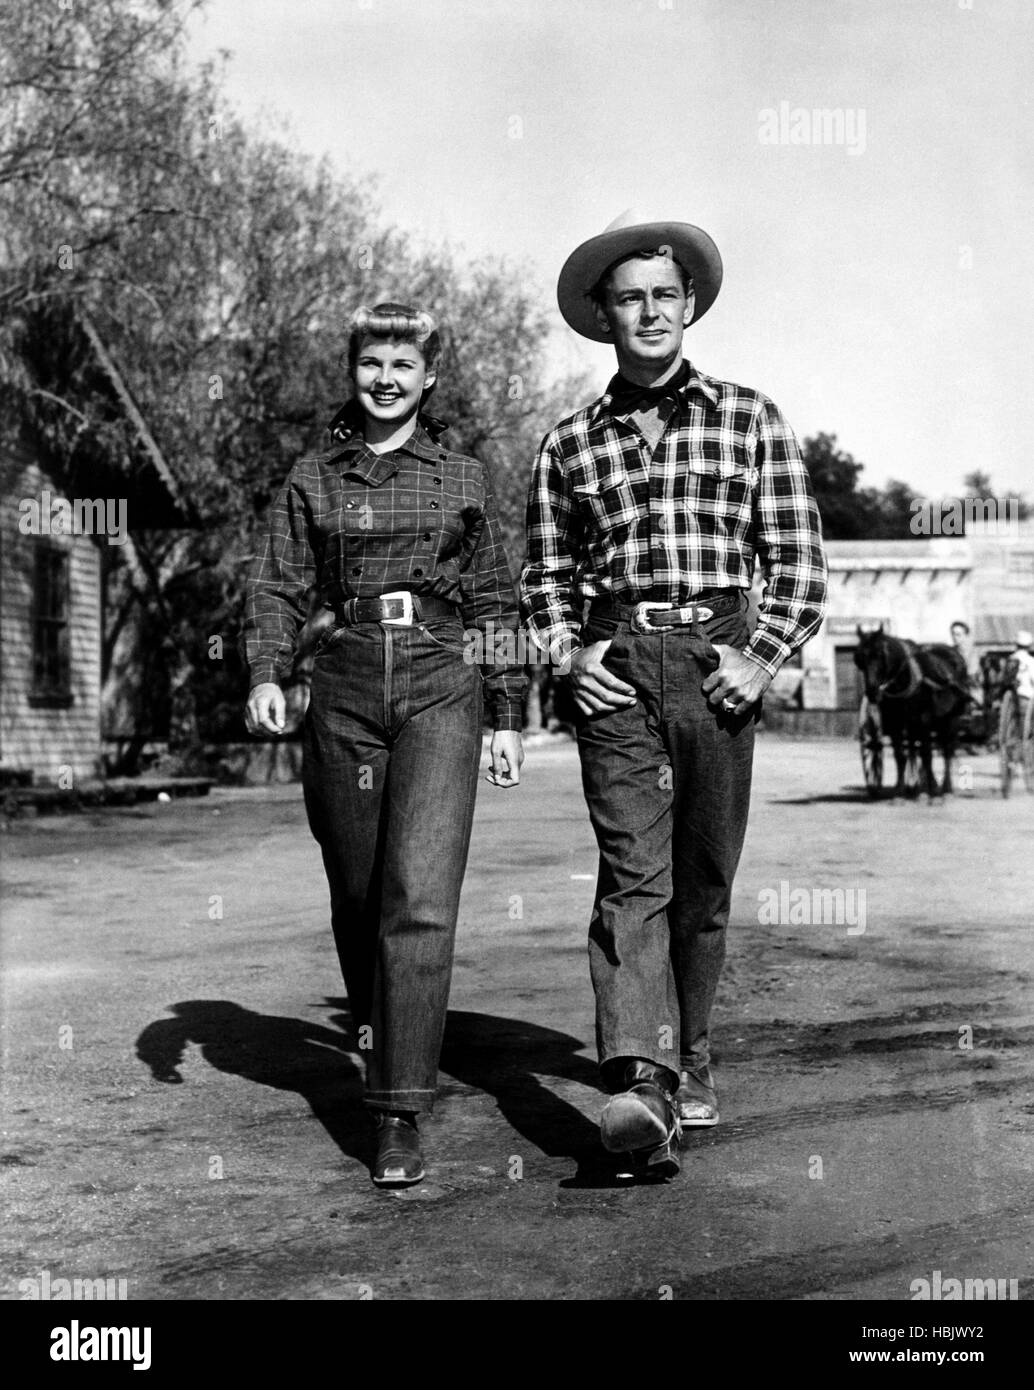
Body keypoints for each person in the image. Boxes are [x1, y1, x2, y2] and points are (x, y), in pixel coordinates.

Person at [520, 213, 827, 1179]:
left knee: (702, 882)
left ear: (687, 307)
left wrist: (760, 654)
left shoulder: (750, 418)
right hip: (618, 670)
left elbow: (800, 563)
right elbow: (545, 578)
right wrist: (568, 657)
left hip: (718, 664)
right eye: (629, 299)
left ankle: (693, 1052)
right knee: (631, 878)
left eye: (664, 296)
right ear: (601, 317)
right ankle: (640, 1083)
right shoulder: (568, 444)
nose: (648, 313)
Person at [242, 303, 526, 1187]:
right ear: (353, 370)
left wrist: (508, 712)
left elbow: (494, 602)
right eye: (372, 364)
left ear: (429, 374)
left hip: (445, 682)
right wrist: (264, 670)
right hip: (348, 685)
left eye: (404, 364)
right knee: (361, 894)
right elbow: (277, 585)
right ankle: (382, 1040)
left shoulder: (463, 476)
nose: (388, 379)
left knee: (420, 897)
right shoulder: (313, 476)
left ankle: (398, 1108)